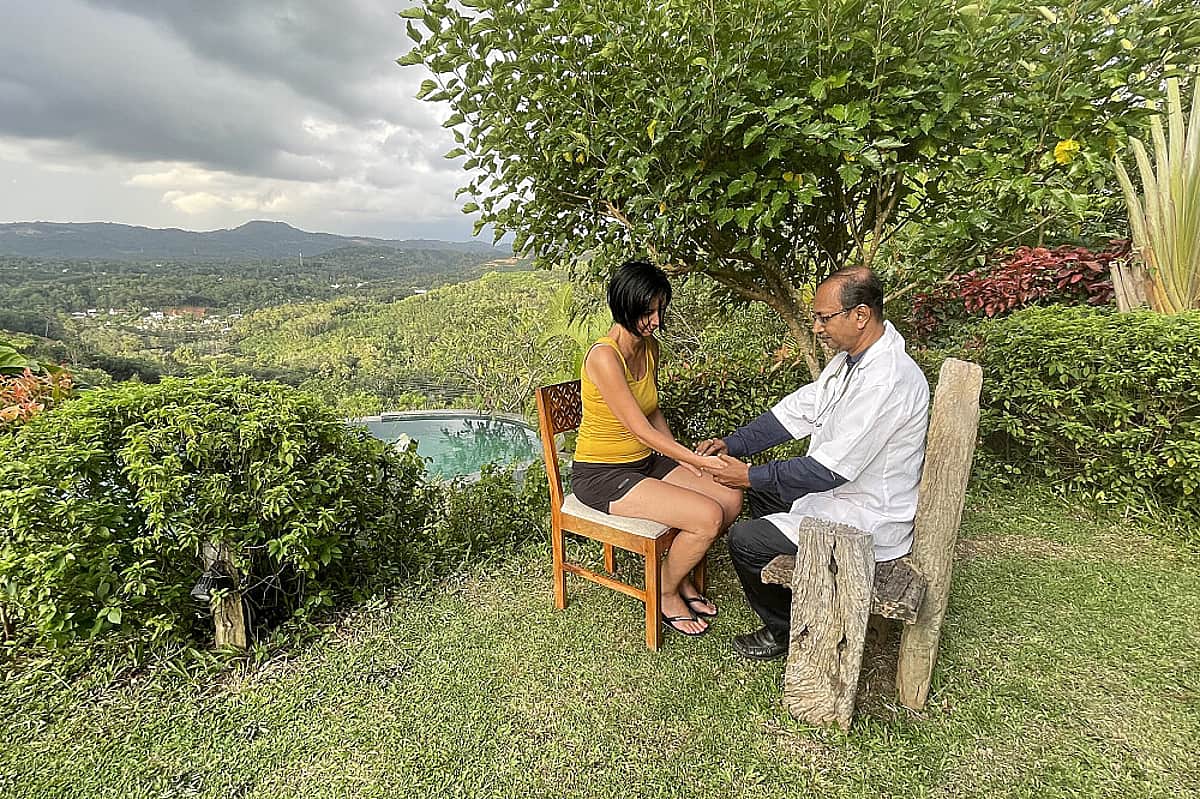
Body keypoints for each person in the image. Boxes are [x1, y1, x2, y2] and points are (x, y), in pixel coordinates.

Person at [697, 266, 929, 660]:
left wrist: (748, 475)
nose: (818, 327)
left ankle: (787, 630)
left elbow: (827, 471)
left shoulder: (886, 380)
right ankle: (802, 603)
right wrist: (732, 443)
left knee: (745, 541)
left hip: (867, 519)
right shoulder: (849, 363)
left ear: (860, 316)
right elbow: (793, 413)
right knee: (765, 496)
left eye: (824, 317)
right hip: (840, 497)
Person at [572, 259, 743, 637]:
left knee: (730, 497)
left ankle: (676, 573)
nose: (655, 320)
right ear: (624, 307)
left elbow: (653, 413)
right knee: (707, 516)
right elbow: (638, 428)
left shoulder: (649, 349)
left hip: (646, 461)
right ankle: (664, 592)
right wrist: (693, 459)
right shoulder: (604, 356)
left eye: (659, 310)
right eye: (647, 312)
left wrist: (681, 459)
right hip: (603, 474)